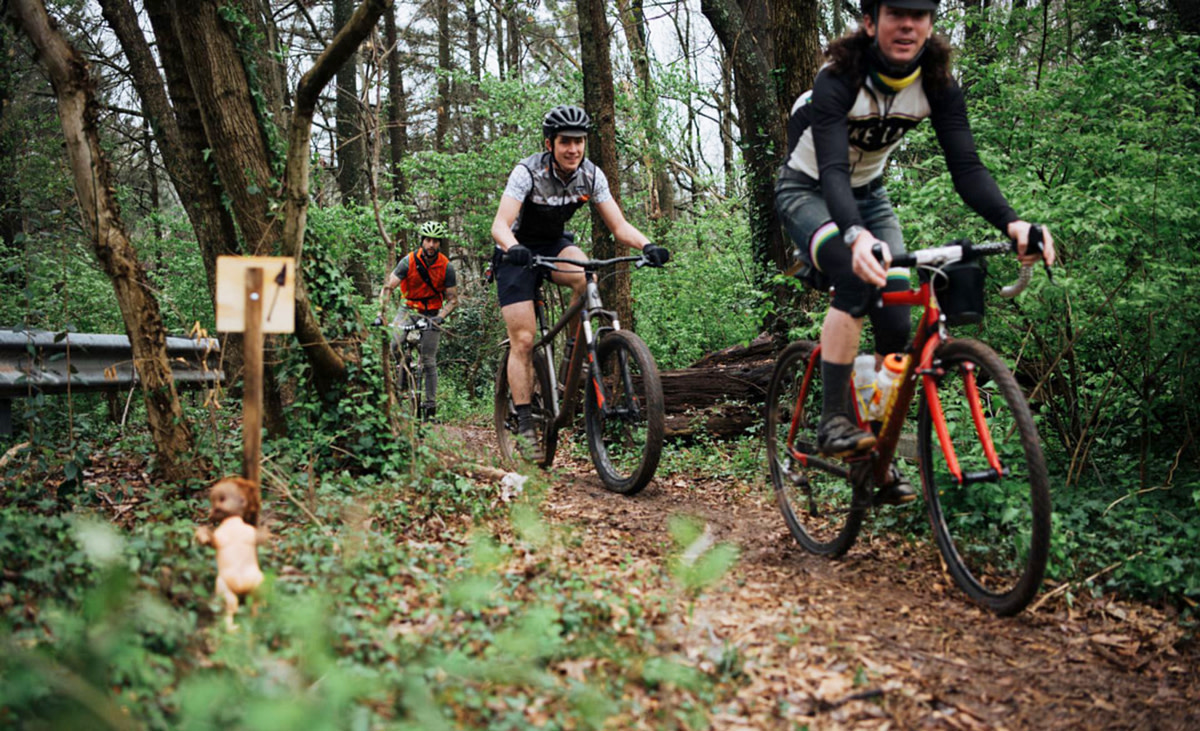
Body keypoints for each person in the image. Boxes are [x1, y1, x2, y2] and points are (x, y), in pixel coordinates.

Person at [774, 0, 1055, 504]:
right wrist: (855, 237)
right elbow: (834, 171)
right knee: (858, 277)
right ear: (869, 22)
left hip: (871, 193)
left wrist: (1013, 222)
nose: (908, 25)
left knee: (897, 316)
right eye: (896, 13)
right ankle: (833, 419)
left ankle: (876, 456)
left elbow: (966, 168)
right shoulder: (838, 78)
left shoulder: (938, 83)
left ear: (930, 24)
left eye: (920, 14)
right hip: (809, 190)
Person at [490, 104, 669, 460]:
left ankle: (575, 354)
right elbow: (499, 225)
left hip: (553, 245)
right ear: (550, 143)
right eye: (566, 142)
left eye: (579, 142)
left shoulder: (591, 175)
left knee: (587, 275)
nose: (573, 149)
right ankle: (525, 423)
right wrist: (514, 248)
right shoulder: (527, 172)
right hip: (514, 252)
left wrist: (648, 244)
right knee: (523, 340)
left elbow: (618, 226)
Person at [375, 221, 459, 422]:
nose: (431, 245)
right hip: (409, 309)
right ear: (422, 241)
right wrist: (381, 313)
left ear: (439, 244)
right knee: (394, 342)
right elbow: (388, 287)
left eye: (435, 241)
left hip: (432, 313)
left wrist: (441, 316)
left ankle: (430, 408)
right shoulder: (408, 261)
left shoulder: (446, 267)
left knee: (429, 360)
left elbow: (453, 300)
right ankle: (403, 366)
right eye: (428, 240)